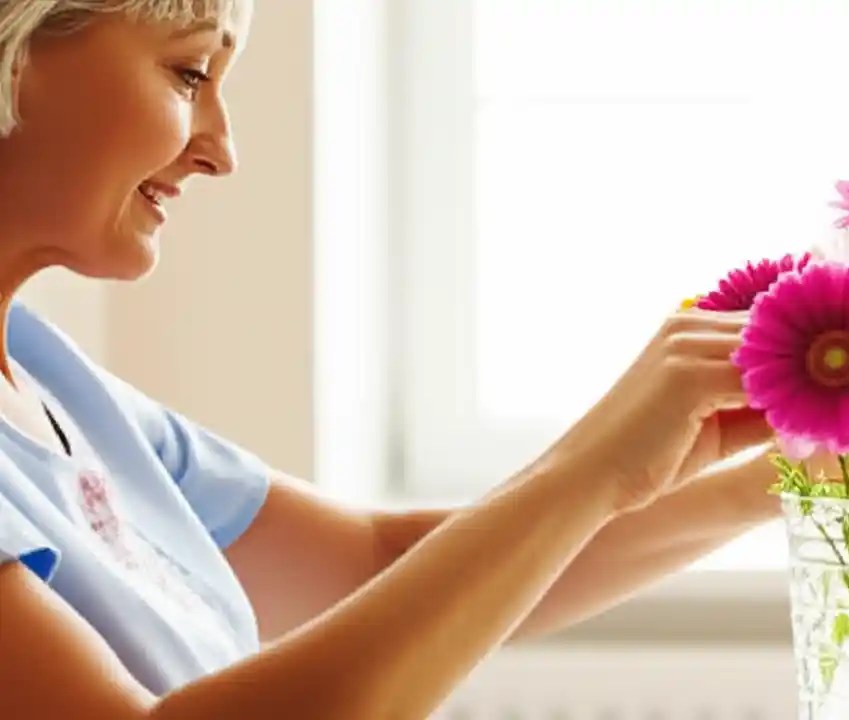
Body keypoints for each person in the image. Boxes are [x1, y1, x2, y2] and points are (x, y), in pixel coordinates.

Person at [0, 2, 783, 717]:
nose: (221, 151)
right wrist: (596, 468)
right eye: (189, 74)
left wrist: (773, 480)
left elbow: (379, 566)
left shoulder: (50, 377)